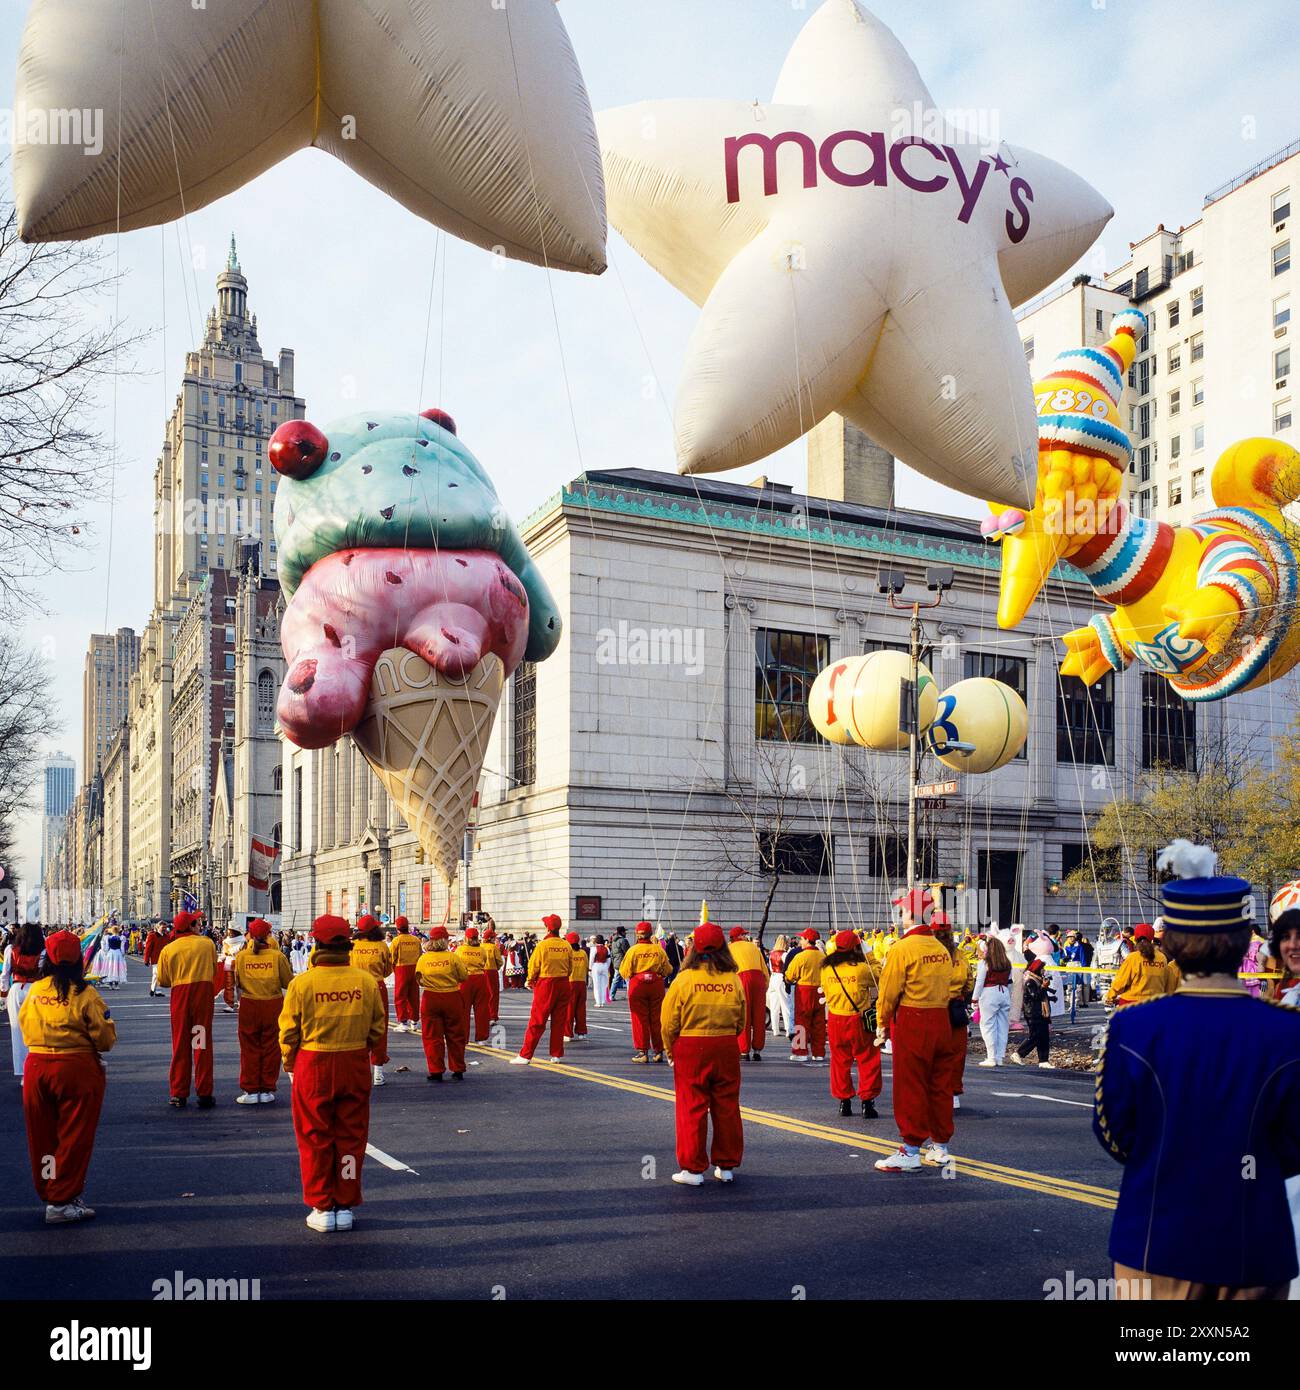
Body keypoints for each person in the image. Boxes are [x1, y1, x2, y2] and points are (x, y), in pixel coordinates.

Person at [1094, 846, 1300, 1299]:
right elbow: (1294, 1145)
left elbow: (1114, 1133)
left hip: (1158, 1239)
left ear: (1170, 944)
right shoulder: (1288, 1030)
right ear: (1247, 942)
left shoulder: (1133, 1025)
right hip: (1257, 1242)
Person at [279, 915, 385, 1232]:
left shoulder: (303, 983)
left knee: (315, 1136)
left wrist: (289, 1064)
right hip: (353, 1061)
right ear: (347, 943)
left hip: (314, 1062)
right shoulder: (365, 981)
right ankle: (345, 1204)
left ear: (317, 943)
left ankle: (322, 1205)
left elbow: (288, 1033)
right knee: (351, 1137)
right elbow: (377, 1028)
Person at [18, 931, 117, 1224]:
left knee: (43, 1135)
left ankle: (50, 1191)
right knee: (74, 1135)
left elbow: (23, 1026)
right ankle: (62, 1200)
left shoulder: (35, 990)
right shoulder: (85, 993)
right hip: (76, 1068)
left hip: (37, 1066)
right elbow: (105, 1038)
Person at [661, 923, 747, 1186]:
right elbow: (741, 1021)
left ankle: (693, 1169)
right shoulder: (733, 978)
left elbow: (668, 1022)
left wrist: (669, 1048)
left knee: (692, 1106)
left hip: (691, 1046)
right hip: (725, 1046)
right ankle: (727, 1165)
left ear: (693, 948)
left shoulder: (684, 979)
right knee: (727, 1106)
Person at [872, 909, 954, 1172]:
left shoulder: (902, 948)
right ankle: (940, 1146)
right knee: (939, 1085)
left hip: (913, 1017)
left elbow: (888, 991)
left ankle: (910, 1150)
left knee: (911, 1084)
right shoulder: (941, 948)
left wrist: (882, 1023)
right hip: (941, 1018)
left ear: (910, 916)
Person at [156, 910, 219, 1109]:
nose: (200, 925)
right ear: (191, 926)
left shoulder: (169, 949)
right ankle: (204, 1092)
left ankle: (178, 1093)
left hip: (180, 998)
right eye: (197, 922)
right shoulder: (207, 944)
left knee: (181, 1044)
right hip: (202, 997)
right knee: (200, 1044)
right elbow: (213, 970)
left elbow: (163, 981)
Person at [821, 929, 882, 1119]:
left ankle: (844, 1102)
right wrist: (869, 954)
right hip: (859, 1018)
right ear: (856, 947)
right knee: (868, 1059)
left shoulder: (827, 968)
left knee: (839, 1061)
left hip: (836, 1018)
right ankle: (867, 1103)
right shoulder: (862, 968)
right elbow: (879, 975)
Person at [232, 918, 292, 1105]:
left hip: (249, 1004)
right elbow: (287, 982)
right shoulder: (277, 956)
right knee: (271, 1047)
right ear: (268, 935)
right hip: (273, 1004)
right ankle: (266, 1089)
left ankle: (250, 1090)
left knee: (249, 1048)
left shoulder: (241, 957)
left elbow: (238, 983)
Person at [511, 914, 575, 1066]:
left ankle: (525, 1055)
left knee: (537, 1021)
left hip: (546, 984)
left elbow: (533, 966)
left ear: (547, 928)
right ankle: (556, 1054)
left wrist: (530, 980)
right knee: (559, 1021)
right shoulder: (566, 945)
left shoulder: (542, 945)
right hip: (564, 983)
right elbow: (570, 967)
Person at [416, 926, 470, 1081]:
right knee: (455, 1035)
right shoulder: (453, 957)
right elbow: (463, 977)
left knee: (432, 1036)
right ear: (444, 940)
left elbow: (419, 979)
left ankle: (436, 1070)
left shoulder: (424, 959)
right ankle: (458, 1068)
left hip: (431, 997)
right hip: (452, 996)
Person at [933, 913, 974, 1111]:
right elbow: (969, 981)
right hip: (956, 1007)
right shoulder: (959, 955)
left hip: (932, 1007)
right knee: (956, 1053)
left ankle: (934, 1090)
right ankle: (953, 1093)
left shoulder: (927, 953)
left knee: (932, 1052)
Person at [618, 921, 672, 1063]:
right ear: (650, 934)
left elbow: (624, 971)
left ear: (637, 934)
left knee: (639, 1019)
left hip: (638, 985)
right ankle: (659, 1051)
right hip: (656, 985)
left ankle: (642, 1052)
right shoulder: (658, 949)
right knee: (657, 1018)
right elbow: (668, 970)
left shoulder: (633, 950)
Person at [350, 914, 393, 1088]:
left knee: (356, 1029)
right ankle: (378, 1072)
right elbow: (388, 969)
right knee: (380, 1029)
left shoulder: (351, 946)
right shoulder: (382, 946)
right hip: (377, 986)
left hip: (355, 987)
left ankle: (358, 1072)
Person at [2, 921, 45, 1080]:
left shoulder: (10, 950)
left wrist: (3, 995)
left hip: (16, 989)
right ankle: (36, 1069)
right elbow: (44, 974)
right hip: (35, 990)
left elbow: (4, 975)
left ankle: (23, 1073)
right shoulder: (42, 952)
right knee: (37, 1032)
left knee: (17, 1032)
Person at [1106, 922, 1180, 1008]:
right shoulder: (1162, 958)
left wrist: (1110, 997)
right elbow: (1168, 982)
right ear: (1152, 939)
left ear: (1136, 939)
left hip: (1131, 1005)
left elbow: (1120, 982)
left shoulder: (1133, 957)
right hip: (1155, 1004)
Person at [784, 928, 827, 1064]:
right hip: (820, 990)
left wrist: (788, 980)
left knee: (801, 1022)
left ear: (808, 940)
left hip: (804, 990)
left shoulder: (801, 956)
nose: (800, 941)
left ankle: (800, 1052)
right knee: (819, 1023)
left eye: (802, 939)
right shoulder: (823, 956)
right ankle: (819, 1053)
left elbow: (790, 976)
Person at [727, 926, 770, 1060]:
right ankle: (757, 1050)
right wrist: (765, 987)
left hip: (741, 978)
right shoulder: (753, 947)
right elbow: (764, 969)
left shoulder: (729, 949)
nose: (746, 937)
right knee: (759, 1015)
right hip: (759, 979)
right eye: (744, 935)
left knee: (743, 1015)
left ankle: (744, 1050)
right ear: (739, 936)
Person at [972, 934, 1013, 1066]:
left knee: (988, 1025)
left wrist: (974, 999)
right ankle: (1000, 1057)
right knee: (1002, 1026)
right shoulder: (1007, 963)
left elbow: (979, 982)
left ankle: (991, 1057)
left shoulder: (984, 963)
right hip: (1004, 992)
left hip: (989, 993)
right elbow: (1010, 982)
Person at [1009, 958, 1055, 1067]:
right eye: (1042, 968)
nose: (1044, 971)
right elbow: (1035, 996)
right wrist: (1043, 987)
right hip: (1033, 1013)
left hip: (1041, 1013)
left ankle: (1044, 1060)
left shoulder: (1038, 980)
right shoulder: (1030, 981)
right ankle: (1019, 1053)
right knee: (1035, 1036)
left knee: (1044, 1036)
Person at [455, 924, 492, 1045]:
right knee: (481, 1009)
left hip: (465, 979)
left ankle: (463, 1037)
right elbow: (485, 961)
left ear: (466, 938)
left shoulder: (460, 949)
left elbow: (455, 964)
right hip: (480, 978)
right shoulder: (481, 949)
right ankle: (481, 1037)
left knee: (463, 1010)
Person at [389, 916, 423, 1034]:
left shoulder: (396, 941)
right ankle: (414, 1021)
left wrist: (393, 969)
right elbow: (420, 955)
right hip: (414, 968)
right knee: (414, 996)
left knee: (400, 996)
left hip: (401, 968)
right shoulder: (416, 940)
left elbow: (392, 957)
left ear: (397, 928)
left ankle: (403, 1021)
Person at [564, 931, 589, 1041]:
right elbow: (587, 966)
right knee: (581, 1009)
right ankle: (582, 1032)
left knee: (569, 1009)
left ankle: (567, 1033)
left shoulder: (567, 952)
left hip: (570, 982)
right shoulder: (583, 953)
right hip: (582, 982)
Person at [766, 935, 792, 1038]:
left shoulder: (772, 953)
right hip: (781, 978)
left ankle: (775, 1029)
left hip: (773, 978)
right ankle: (788, 1029)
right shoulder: (784, 954)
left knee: (774, 1006)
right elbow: (788, 967)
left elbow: (771, 967)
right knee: (785, 1004)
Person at [218, 924, 244, 1012]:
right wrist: (220, 959)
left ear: (236, 932)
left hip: (239, 964)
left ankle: (242, 1004)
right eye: (229, 931)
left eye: (231, 931)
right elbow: (224, 953)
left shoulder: (243, 941)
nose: (229, 933)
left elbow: (244, 953)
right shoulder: (226, 941)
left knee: (240, 986)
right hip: (229, 964)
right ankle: (230, 1004)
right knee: (229, 985)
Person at [481, 922, 503, 1023]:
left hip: (480, 972)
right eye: (494, 938)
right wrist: (496, 967)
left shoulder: (480, 947)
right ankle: (492, 1016)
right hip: (491, 971)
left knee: (482, 995)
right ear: (490, 938)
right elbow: (499, 961)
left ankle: (483, 1015)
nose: (495, 939)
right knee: (493, 994)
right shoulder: (493, 948)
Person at [98, 925, 127, 991]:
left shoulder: (108, 937)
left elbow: (107, 947)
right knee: (117, 968)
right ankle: (116, 985)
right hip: (117, 953)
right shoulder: (121, 938)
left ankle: (110, 985)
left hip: (110, 953)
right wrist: (122, 954)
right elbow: (122, 948)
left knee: (110, 968)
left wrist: (106, 953)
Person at [143, 923, 167, 996]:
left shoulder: (167, 936)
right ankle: (152, 989)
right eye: (163, 927)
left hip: (164, 959)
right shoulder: (152, 936)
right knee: (156, 974)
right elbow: (148, 948)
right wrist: (146, 959)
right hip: (156, 958)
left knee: (161, 976)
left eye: (165, 927)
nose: (164, 929)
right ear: (158, 927)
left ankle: (158, 991)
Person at [607, 926, 630, 1001]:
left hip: (616, 962)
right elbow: (627, 952)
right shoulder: (623, 941)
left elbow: (612, 954)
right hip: (623, 962)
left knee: (615, 980)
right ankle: (631, 995)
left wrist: (614, 963)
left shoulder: (613, 941)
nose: (626, 933)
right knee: (628, 979)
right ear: (622, 932)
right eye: (624, 931)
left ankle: (611, 995)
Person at [589, 934, 611, 1008]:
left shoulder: (594, 948)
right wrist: (606, 966)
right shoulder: (606, 948)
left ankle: (598, 1002)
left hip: (596, 965)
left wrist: (590, 968)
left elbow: (591, 959)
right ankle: (602, 1001)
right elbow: (609, 959)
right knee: (604, 985)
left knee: (596, 985)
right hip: (604, 965)